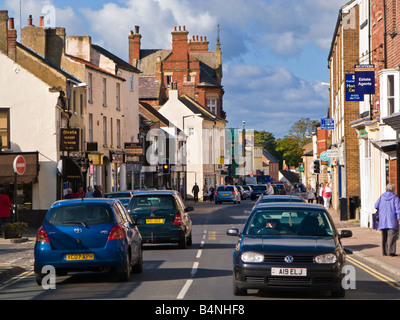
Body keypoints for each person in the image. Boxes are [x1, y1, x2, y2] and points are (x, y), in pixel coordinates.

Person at [374, 183, 400, 256]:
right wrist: (398, 218)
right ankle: (391, 252)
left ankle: (384, 252)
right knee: (392, 236)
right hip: (392, 220)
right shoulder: (395, 198)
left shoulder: (382, 197)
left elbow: (376, 205)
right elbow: (398, 210)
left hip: (382, 220)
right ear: (393, 189)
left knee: (384, 236)